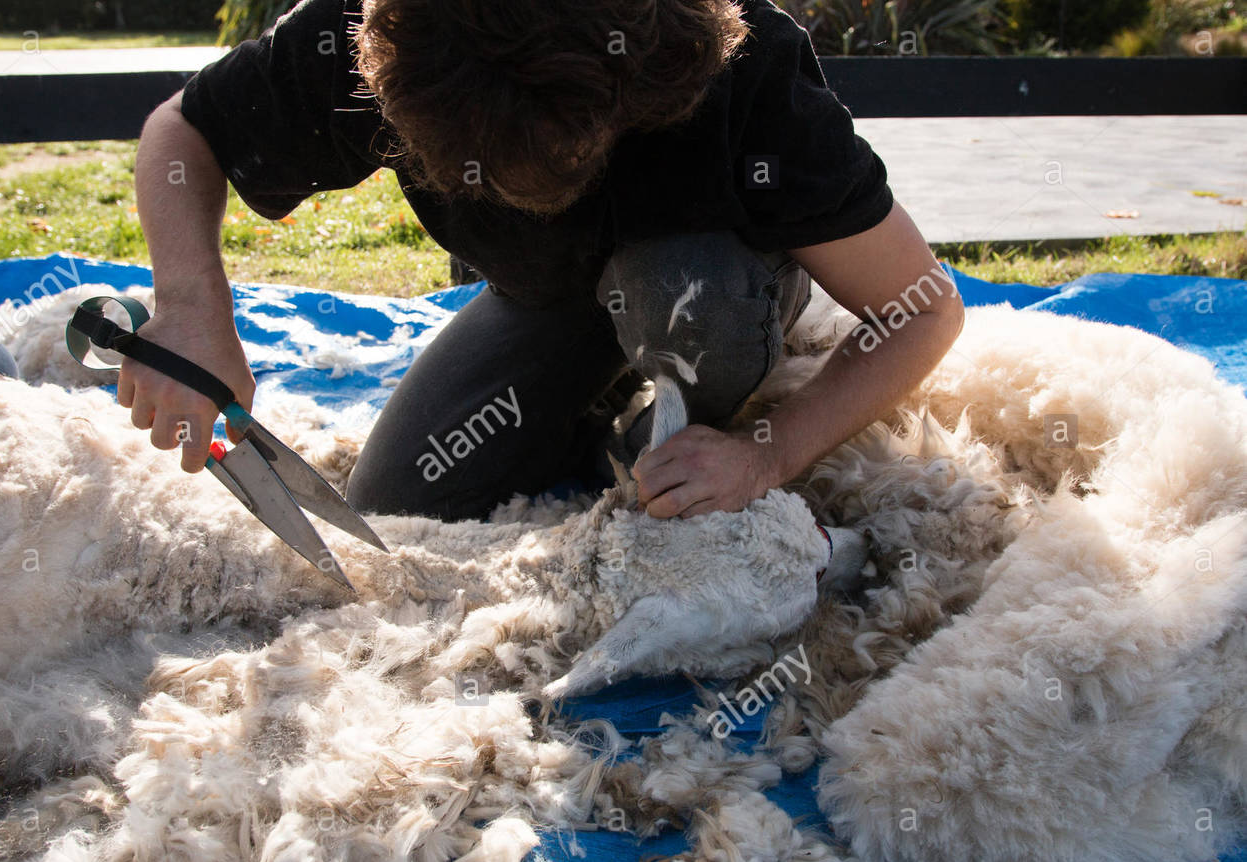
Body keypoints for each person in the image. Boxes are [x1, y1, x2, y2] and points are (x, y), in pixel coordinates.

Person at [122, 0, 963, 522]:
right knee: (404, 503)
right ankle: (596, 428)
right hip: (551, 296)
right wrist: (192, 305)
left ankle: (697, 421)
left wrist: (768, 455)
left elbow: (926, 308)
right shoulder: (374, 34)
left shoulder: (748, 75)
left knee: (682, 295)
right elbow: (180, 128)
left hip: (708, 278)